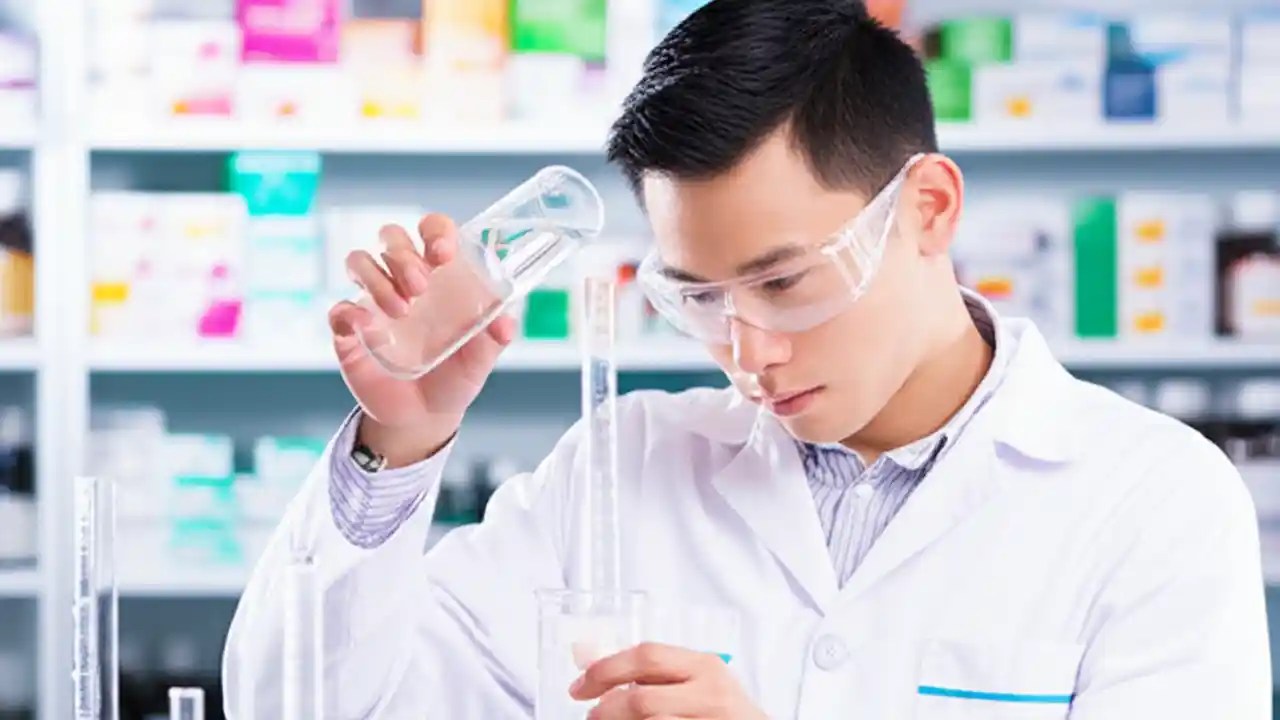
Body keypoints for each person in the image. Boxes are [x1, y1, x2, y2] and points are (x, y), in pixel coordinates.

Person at [222, 1, 1272, 718]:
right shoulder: (619, 467)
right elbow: (301, 702)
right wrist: (396, 446)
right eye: (698, 299)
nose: (746, 353)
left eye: (783, 282)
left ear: (926, 208)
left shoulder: (1152, 497)